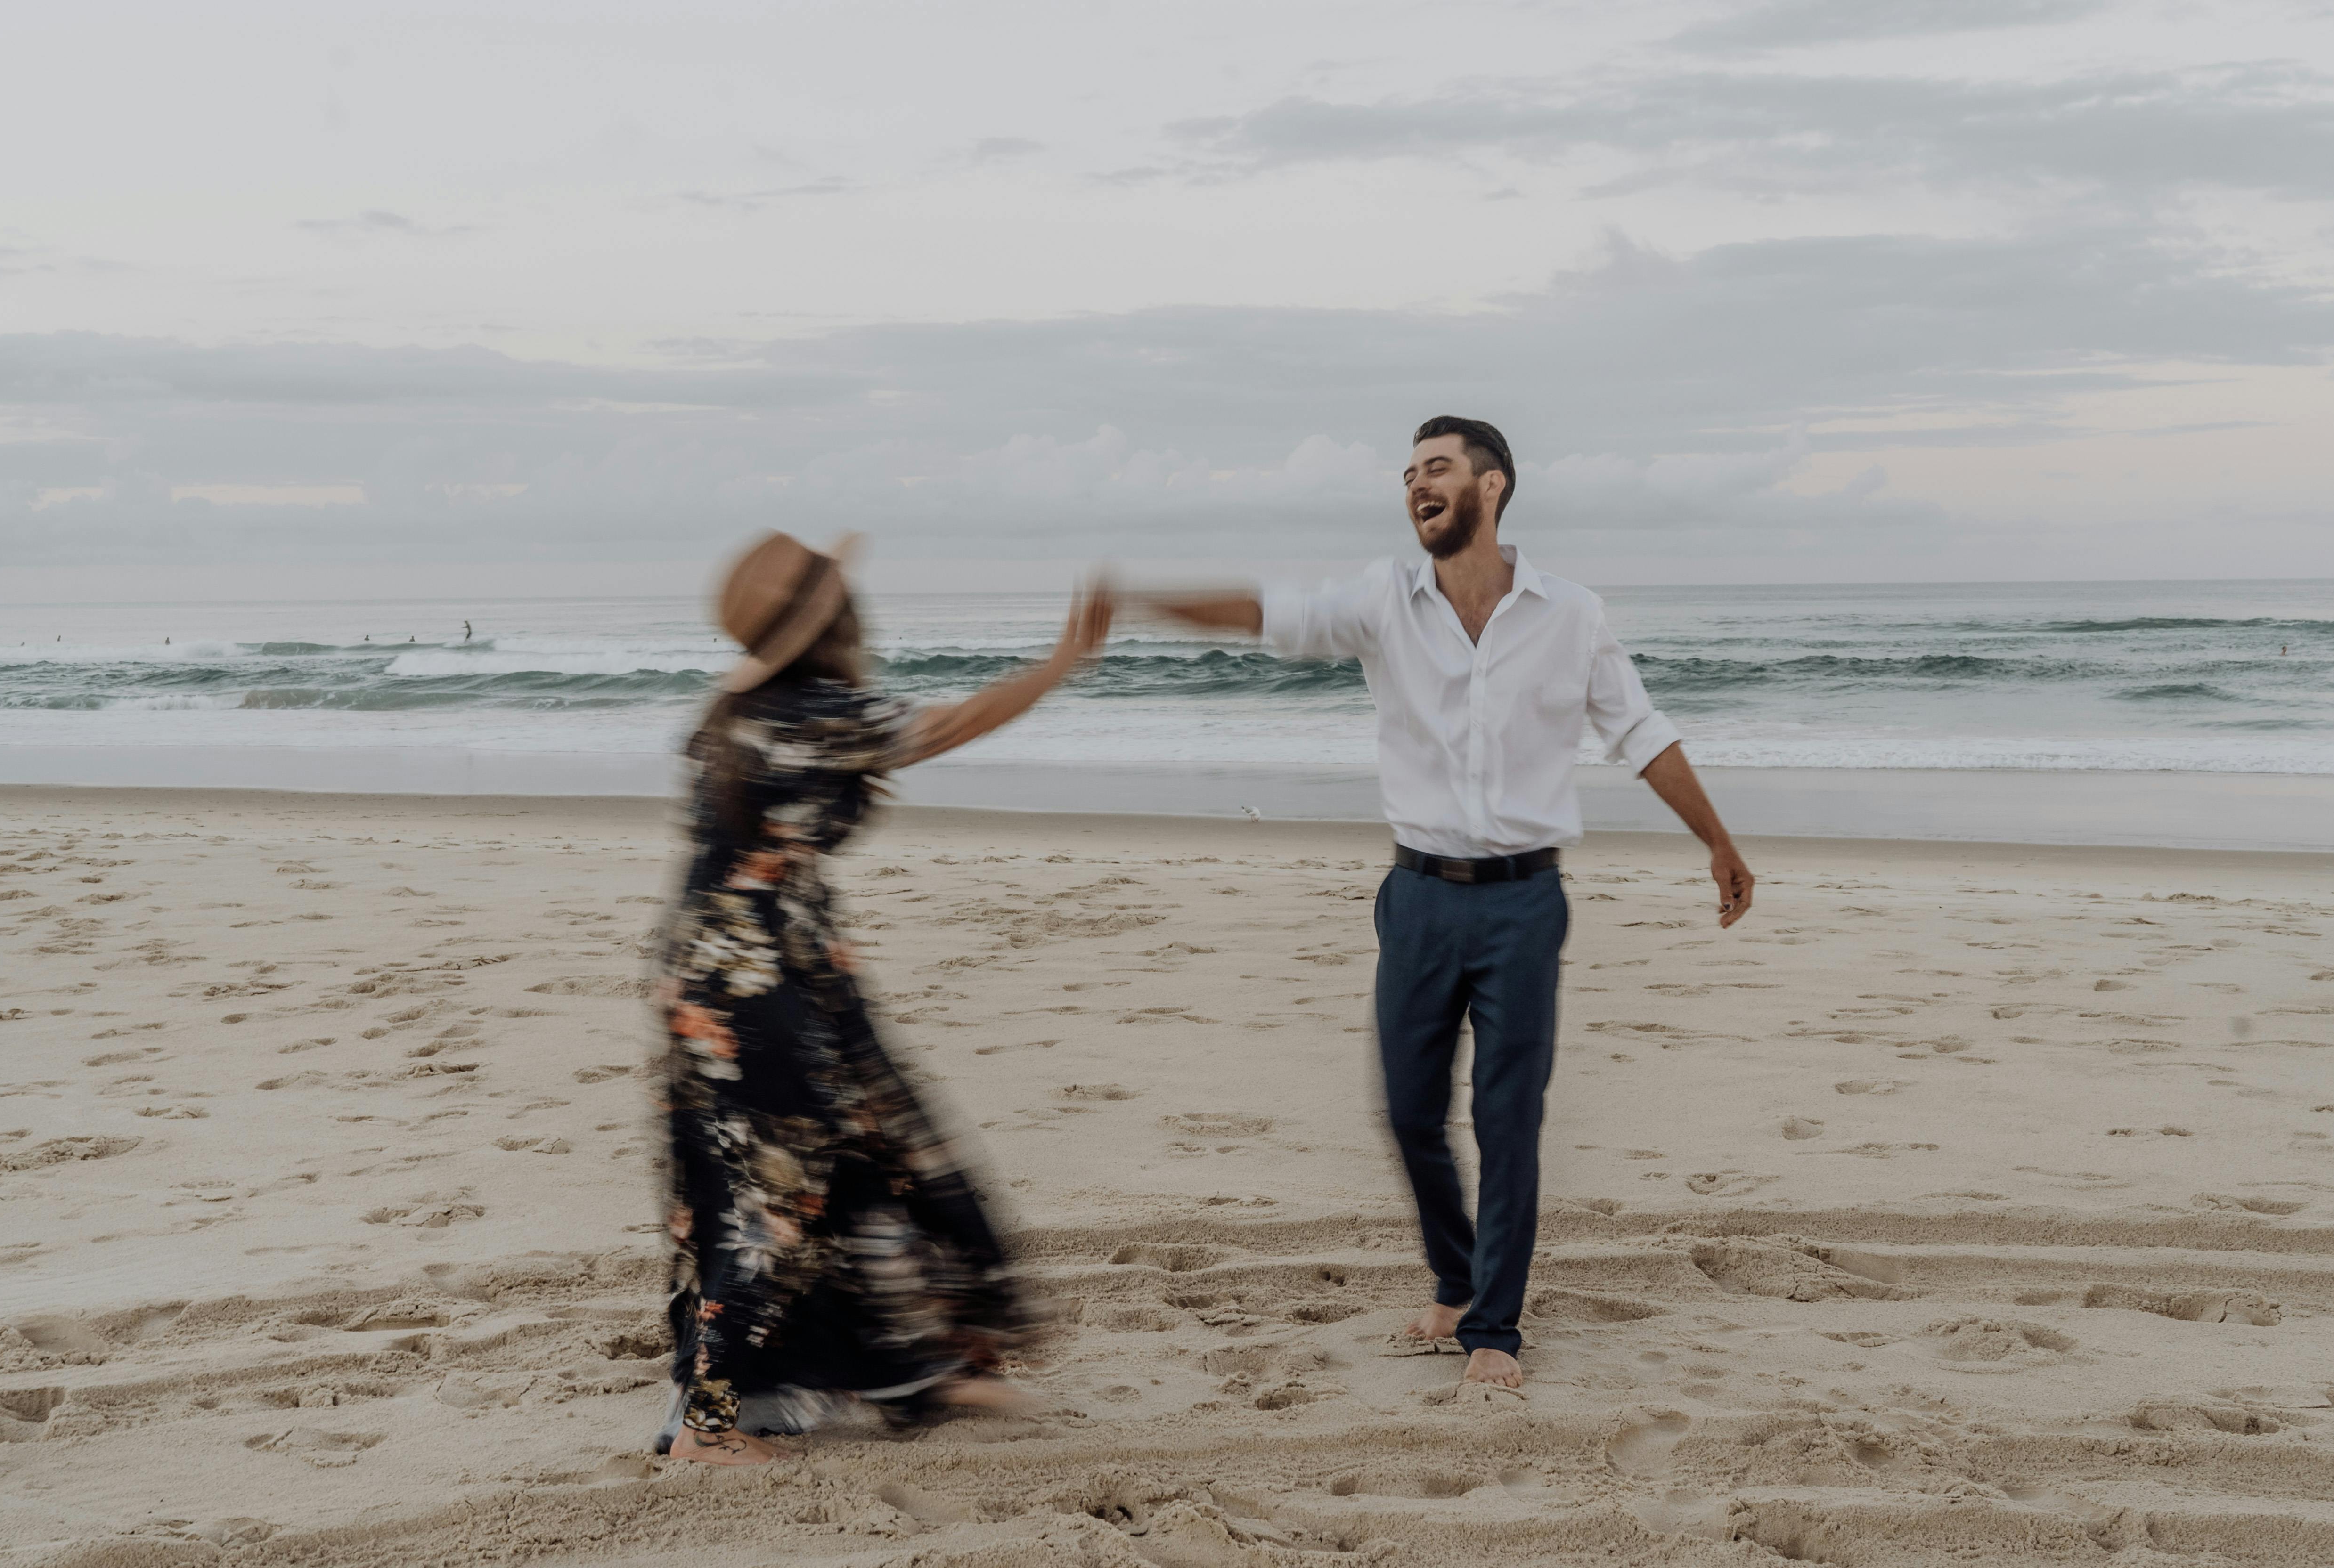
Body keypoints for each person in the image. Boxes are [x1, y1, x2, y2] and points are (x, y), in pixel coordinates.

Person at [1122, 417, 1754, 1396]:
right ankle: (1457, 1282)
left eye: (1439, 467)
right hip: (1416, 897)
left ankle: (1493, 1326)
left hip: (1523, 903)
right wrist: (1140, 601)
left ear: (1490, 486)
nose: (1418, 483)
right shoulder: (1384, 600)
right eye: (1411, 472)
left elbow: (1640, 731)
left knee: (1508, 1120)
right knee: (1411, 1112)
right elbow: (1268, 613)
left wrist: (1717, 840)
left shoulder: (1570, 614)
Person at [654, 531, 1112, 1466]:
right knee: (778, 1203)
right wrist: (1063, 659)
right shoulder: (812, 712)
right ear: (833, 621)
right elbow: (952, 723)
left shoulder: (739, 707)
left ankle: (917, 1367)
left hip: (748, 966)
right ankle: (708, 1426)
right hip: (757, 985)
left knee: (878, 1153)